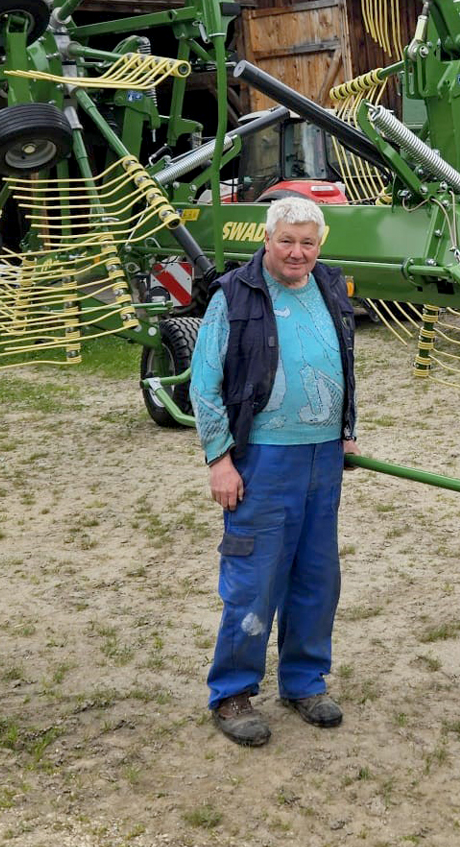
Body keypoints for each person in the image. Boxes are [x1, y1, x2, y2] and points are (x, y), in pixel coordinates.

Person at [189, 195, 359, 747]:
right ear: (266, 239)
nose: (297, 252)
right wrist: (220, 459)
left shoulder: (330, 284)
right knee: (253, 580)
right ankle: (233, 693)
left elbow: (344, 359)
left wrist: (346, 426)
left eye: (308, 242)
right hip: (262, 459)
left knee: (317, 577)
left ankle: (304, 682)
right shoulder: (236, 294)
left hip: (323, 458)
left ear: (320, 244)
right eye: (287, 240)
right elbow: (204, 382)